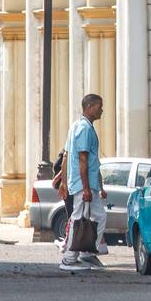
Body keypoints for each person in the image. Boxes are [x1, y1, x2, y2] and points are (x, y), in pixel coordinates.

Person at [58, 94, 108, 272]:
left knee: (98, 217)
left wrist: (64, 181)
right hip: (83, 184)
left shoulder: (78, 127)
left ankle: (86, 253)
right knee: (78, 218)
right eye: (99, 106)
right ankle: (69, 258)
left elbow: (66, 156)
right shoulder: (84, 129)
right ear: (89, 106)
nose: (102, 110)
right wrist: (86, 187)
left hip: (87, 183)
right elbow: (82, 159)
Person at [50, 148, 73, 249]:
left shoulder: (71, 145)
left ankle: (68, 241)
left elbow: (66, 164)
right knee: (71, 214)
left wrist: (58, 179)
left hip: (68, 185)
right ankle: (68, 240)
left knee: (72, 214)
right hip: (67, 184)